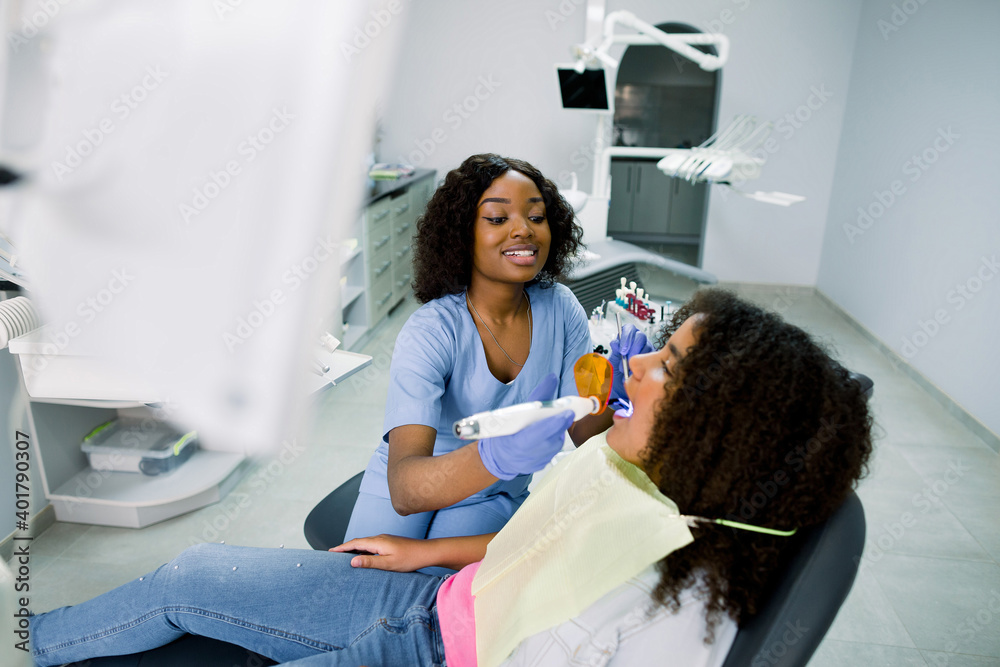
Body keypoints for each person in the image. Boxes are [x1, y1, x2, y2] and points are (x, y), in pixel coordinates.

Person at [26, 288, 873, 667]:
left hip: (433, 653)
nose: (638, 362)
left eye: (670, 367)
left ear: (722, 434)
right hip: (438, 603)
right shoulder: (635, 488)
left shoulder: (680, 610)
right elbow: (533, 546)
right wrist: (428, 556)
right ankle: (27, 645)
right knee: (189, 572)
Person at [343, 154, 609, 553]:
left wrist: (615, 392)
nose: (524, 229)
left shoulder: (561, 307)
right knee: (363, 594)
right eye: (498, 219)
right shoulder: (432, 329)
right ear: (461, 235)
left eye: (536, 217)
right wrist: (497, 454)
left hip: (490, 493)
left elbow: (585, 432)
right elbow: (404, 491)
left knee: (440, 598)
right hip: (415, 481)